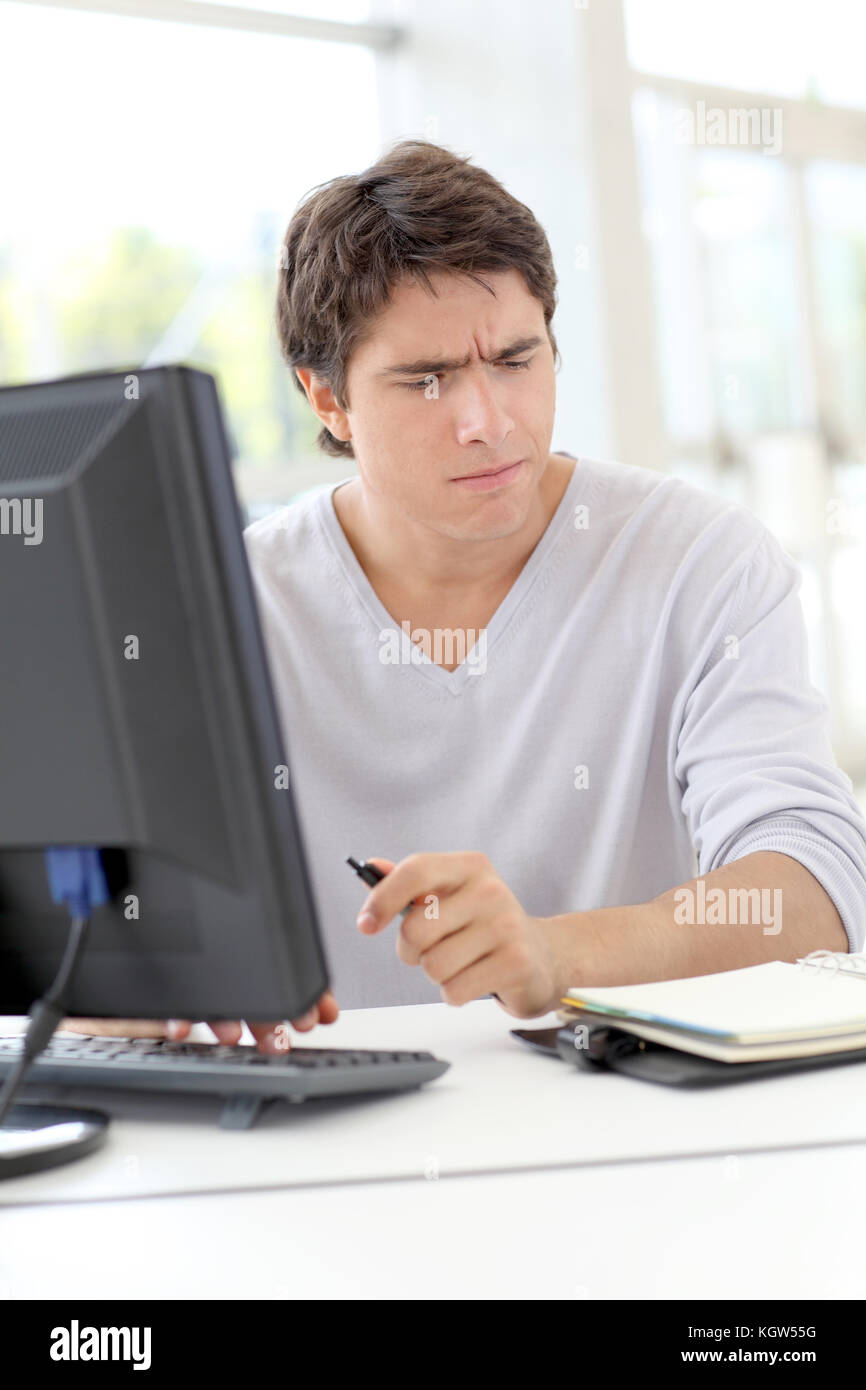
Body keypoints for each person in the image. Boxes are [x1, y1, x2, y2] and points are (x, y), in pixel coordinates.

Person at [67, 138, 866, 1047]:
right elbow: (92, 940)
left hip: (629, 1125)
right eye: (428, 380)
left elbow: (815, 890)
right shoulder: (222, 608)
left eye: (517, 360)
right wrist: (144, 983)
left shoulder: (700, 563)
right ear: (325, 399)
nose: (488, 422)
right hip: (314, 1141)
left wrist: (553, 956)